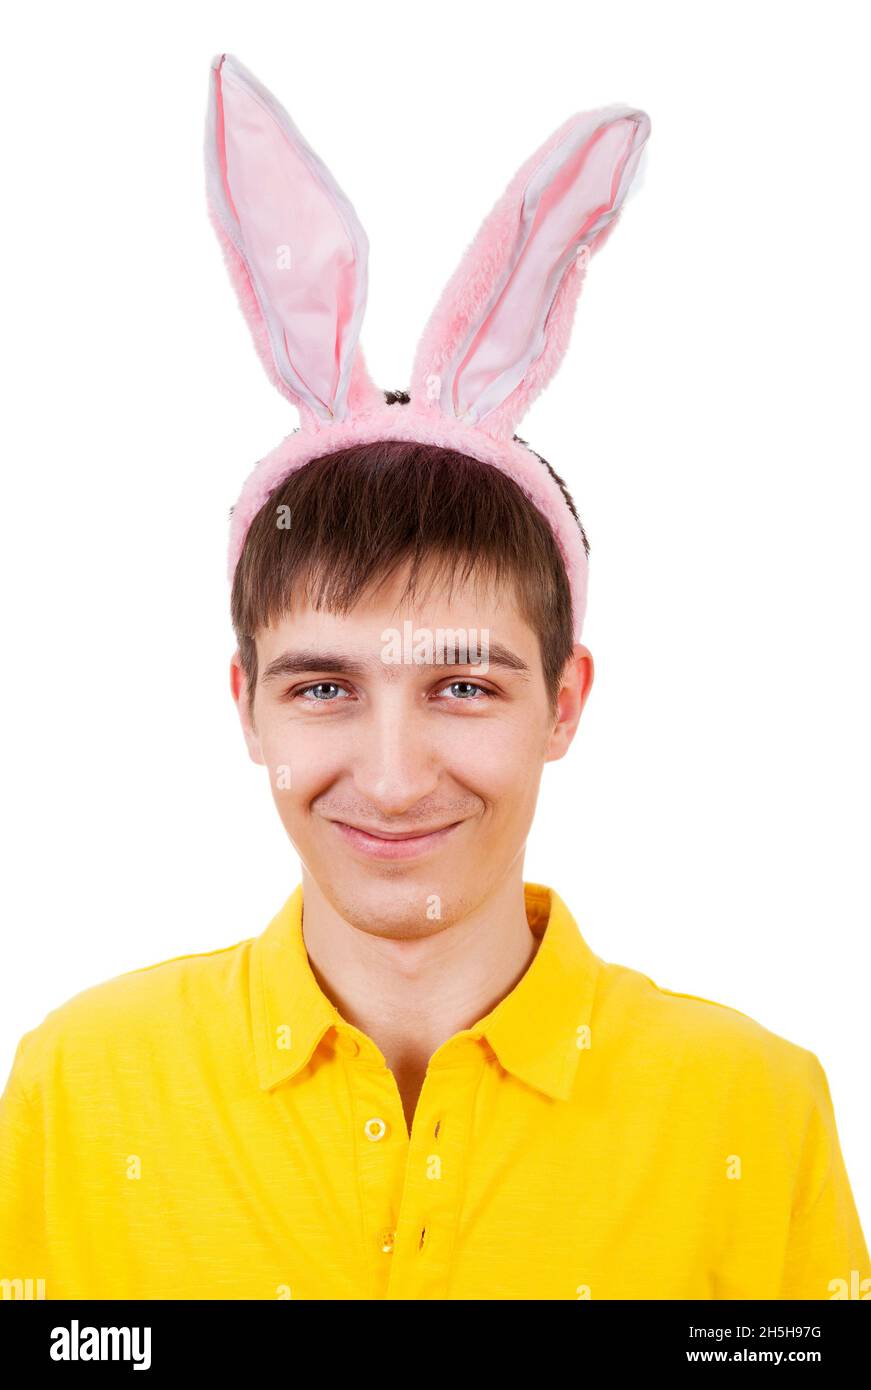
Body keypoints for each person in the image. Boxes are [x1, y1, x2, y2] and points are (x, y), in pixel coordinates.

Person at [1, 54, 867, 1302]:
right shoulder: (78, 1087)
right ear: (241, 705)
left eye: (462, 687)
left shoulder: (753, 1106)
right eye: (321, 687)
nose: (394, 776)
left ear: (565, 702)